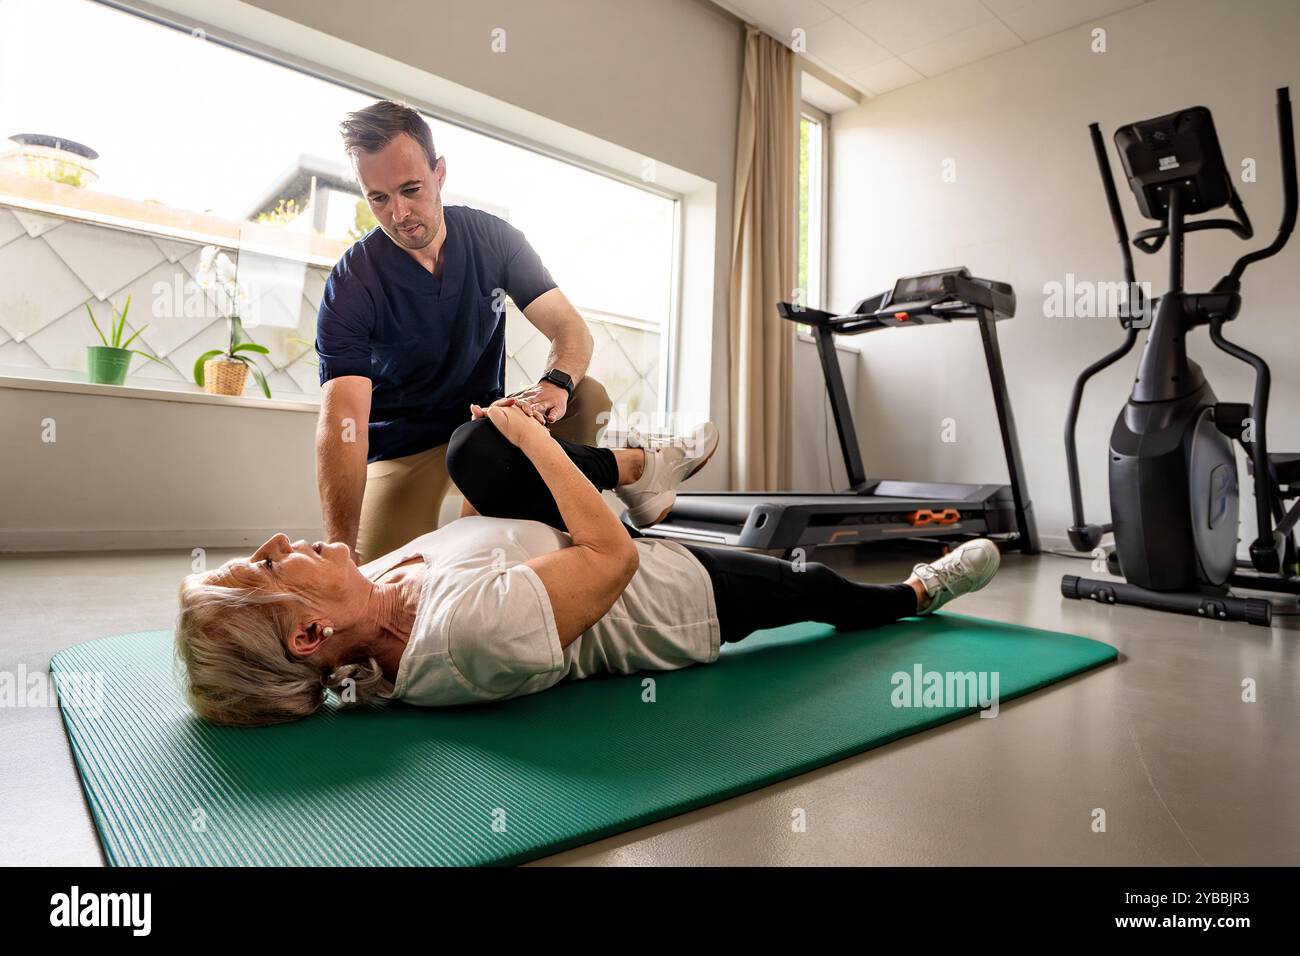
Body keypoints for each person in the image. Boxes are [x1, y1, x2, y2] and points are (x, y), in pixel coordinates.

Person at [176, 401, 1001, 727]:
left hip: (571, 542)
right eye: (266, 568)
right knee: (816, 588)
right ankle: (914, 595)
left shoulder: (375, 585)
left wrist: (510, 449)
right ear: (310, 632)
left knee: (474, 446)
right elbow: (608, 558)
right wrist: (536, 440)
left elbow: (480, 533)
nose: (279, 543)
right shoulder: (463, 640)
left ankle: (639, 478)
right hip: (672, 595)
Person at [315, 99, 613, 565]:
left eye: (411, 189)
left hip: (486, 428)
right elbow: (343, 424)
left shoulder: (494, 239)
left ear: (440, 173)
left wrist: (555, 384)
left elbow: (570, 329)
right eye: (379, 198)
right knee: (379, 576)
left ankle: (562, 509)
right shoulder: (352, 283)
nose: (398, 213)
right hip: (403, 449)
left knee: (587, 395)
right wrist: (338, 551)